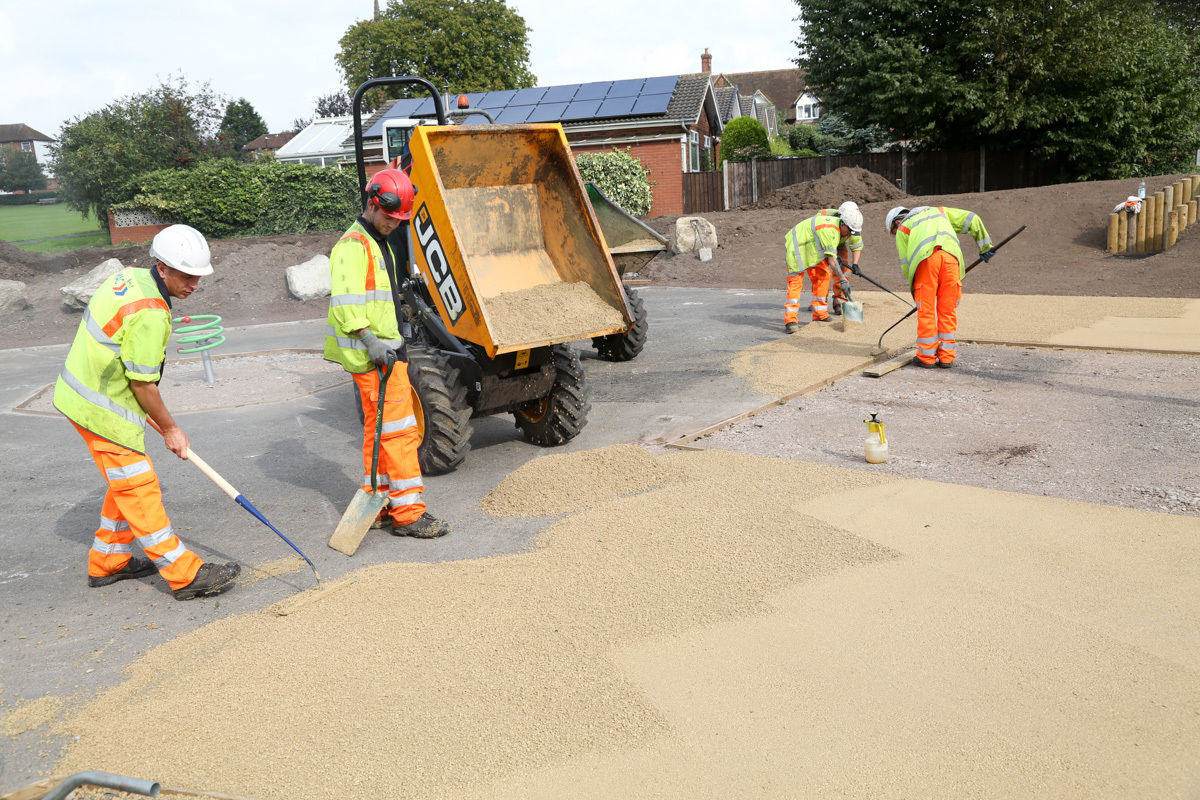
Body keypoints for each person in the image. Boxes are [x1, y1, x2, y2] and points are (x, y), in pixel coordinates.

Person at [53, 224, 240, 601]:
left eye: (198, 277)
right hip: (101, 409)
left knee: (125, 482)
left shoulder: (130, 278)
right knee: (139, 487)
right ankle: (184, 574)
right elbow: (142, 385)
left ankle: (109, 560)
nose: (194, 285)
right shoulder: (151, 313)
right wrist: (171, 429)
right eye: (186, 277)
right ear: (163, 268)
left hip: (86, 394)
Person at [325, 168, 450, 538]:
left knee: (379, 432)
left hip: (385, 351)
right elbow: (345, 304)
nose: (394, 224)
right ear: (372, 203)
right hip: (375, 356)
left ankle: (379, 502)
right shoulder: (353, 246)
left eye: (399, 220)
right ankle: (408, 513)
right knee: (400, 433)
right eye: (390, 217)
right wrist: (370, 340)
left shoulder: (376, 240)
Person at [884, 205, 993, 368]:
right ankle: (946, 357)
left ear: (897, 222)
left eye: (893, 231)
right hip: (951, 260)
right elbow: (972, 219)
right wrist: (985, 247)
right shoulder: (939, 211)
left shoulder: (903, 228)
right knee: (947, 310)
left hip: (925, 262)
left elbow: (907, 265)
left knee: (926, 310)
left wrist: (918, 293)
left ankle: (926, 357)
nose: (895, 233)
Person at [783, 204, 862, 332]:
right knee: (795, 282)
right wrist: (843, 279)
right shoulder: (830, 230)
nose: (850, 235)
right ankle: (791, 320)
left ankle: (820, 313)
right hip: (797, 246)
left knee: (823, 275)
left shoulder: (841, 228)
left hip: (813, 248)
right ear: (843, 224)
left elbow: (836, 253)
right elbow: (831, 259)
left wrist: (854, 264)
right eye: (850, 231)